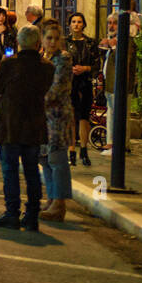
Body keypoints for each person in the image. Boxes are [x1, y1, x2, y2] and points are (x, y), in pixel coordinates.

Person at [0, 24, 53, 232]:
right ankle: (32, 215)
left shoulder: (10, 64)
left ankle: (12, 213)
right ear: (37, 43)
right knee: (32, 171)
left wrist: (2, 67)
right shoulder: (47, 67)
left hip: (10, 125)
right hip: (34, 125)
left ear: (18, 43)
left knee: (10, 171)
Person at [38, 19, 74, 223]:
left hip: (57, 115)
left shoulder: (63, 59)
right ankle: (51, 197)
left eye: (56, 38)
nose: (52, 42)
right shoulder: (44, 58)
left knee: (57, 159)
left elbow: (57, 88)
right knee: (44, 158)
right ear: (42, 39)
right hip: (43, 116)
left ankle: (60, 202)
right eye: (48, 38)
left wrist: (36, 101)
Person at [64, 13, 97, 167]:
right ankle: (71, 151)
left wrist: (85, 68)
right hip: (70, 83)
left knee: (84, 117)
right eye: (73, 22)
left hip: (85, 83)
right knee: (71, 117)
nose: (76, 24)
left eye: (79, 22)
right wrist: (70, 69)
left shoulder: (90, 43)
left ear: (83, 24)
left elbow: (97, 65)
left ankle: (83, 150)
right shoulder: (64, 42)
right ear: (69, 24)